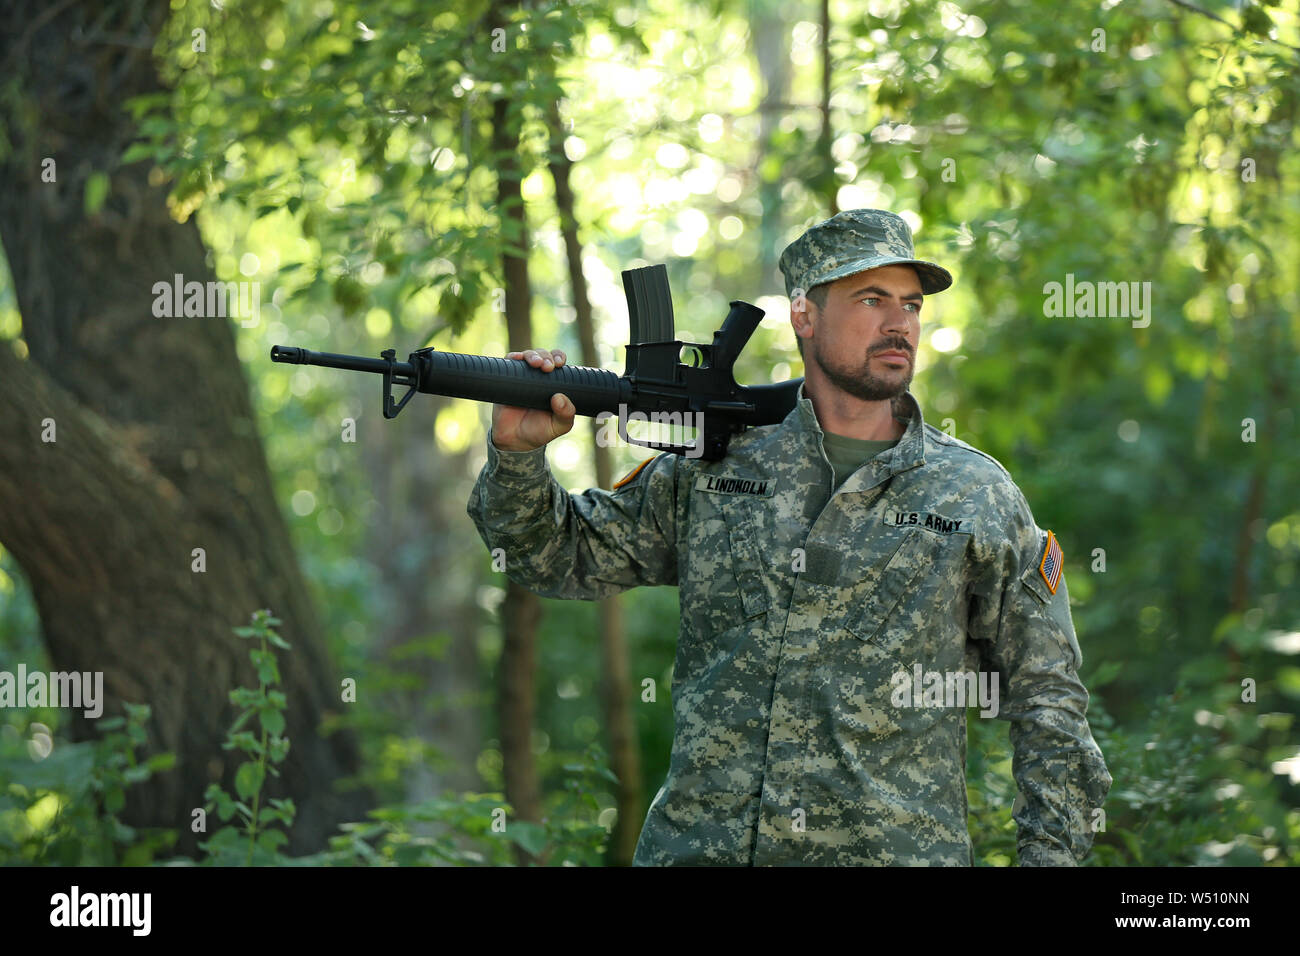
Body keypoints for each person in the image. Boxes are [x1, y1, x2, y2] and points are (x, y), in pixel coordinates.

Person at [467, 208, 1112, 866]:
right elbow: (554, 556)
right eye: (871, 300)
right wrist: (517, 456)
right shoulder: (716, 467)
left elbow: (1049, 703)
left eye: (911, 305)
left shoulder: (975, 495)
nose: (900, 325)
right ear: (804, 315)